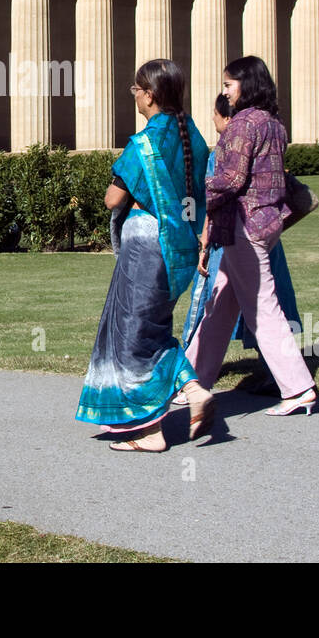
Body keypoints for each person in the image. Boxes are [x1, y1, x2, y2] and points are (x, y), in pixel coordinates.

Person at [75, 59, 216, 451]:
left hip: (146, 243)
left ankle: (149, 431)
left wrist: (115, 193)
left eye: (135, 90)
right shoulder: (192, 136)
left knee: (132, 335)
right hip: (180, 247)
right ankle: (191, 387)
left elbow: (112, 199)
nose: (133, 95)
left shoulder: (146, 141)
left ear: (149, 95)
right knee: (152, 328)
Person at [188, 56, 319, 416]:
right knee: (219, 305)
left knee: (263, 306)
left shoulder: (243, 124)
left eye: (229, 84)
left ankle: (298, 388)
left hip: (244, 227)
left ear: (246, 84)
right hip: (264, 224)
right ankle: (190, 380)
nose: (224, 91)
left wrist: (199, 188)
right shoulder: (274, 125)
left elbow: (230, 180)